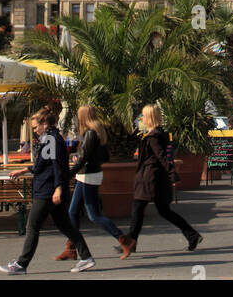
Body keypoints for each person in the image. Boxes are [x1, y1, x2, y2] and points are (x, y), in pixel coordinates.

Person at [0, 106, 95, 275]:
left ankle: (21, 264)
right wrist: (24, 171)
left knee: (32, 225)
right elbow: (45, 163)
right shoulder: (51, 137)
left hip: (47, 190)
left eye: (35, 127)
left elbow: (57, 166)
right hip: (51, 188)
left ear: (44, 123)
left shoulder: (50, 138)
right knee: (65, 225)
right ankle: (86, 257)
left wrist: (58, 188)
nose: (34, 131)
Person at [119, 104, 202, 259]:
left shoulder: (153, 137)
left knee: (138, 208)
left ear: (149, 117)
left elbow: (162, 157)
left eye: (143, 116)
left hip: (149, 179)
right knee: (162, 210)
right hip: (153, 178)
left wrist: (172, 174)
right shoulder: (157, 134)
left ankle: (131, 241)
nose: (141, 118)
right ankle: (191, 235)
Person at [58, 104, 130, 260]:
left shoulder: (90, 134)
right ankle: (71, 246)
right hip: (88, 175)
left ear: (83, 116)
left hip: (87, 176)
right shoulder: (99, 132)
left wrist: (69, 173)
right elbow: (105, 157)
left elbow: (83, 158)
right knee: (73, 211)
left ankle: (123, 239)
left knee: (94, 215)